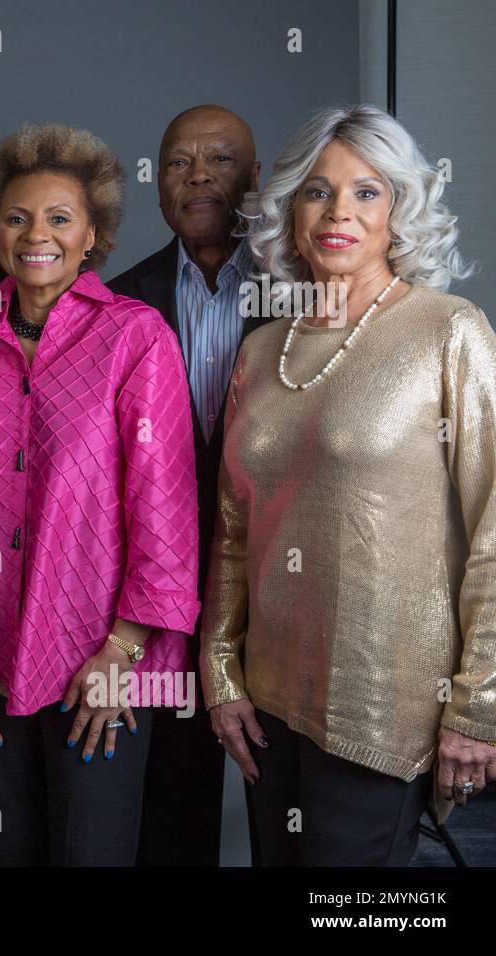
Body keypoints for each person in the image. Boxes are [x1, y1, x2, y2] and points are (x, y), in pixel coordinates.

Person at [201, 104, 496, 866]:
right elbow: (234, 527)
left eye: (367, 192)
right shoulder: (262, 350)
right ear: (289, 211)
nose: (339, 213)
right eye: (316, 191)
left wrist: (479, 706)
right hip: (269, 703)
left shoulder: (449, 330)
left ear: (399, 208)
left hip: (382, 707)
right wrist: (222, 673)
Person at [0, 124, 200, 865]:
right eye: (17, 217)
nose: (38, 235)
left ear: (91, 233)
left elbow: (165, 518)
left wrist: (120, 654)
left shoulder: (137, 339)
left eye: (59, 218)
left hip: (102, 674)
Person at [107, 104, 267, 866]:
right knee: (168, 800)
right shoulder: (119, 302)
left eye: (219, 159)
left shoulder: (304, 294)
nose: (197, 174)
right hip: (152, 593)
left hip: (275, 588)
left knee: (292, 800)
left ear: (257, 177)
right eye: (177, 162)